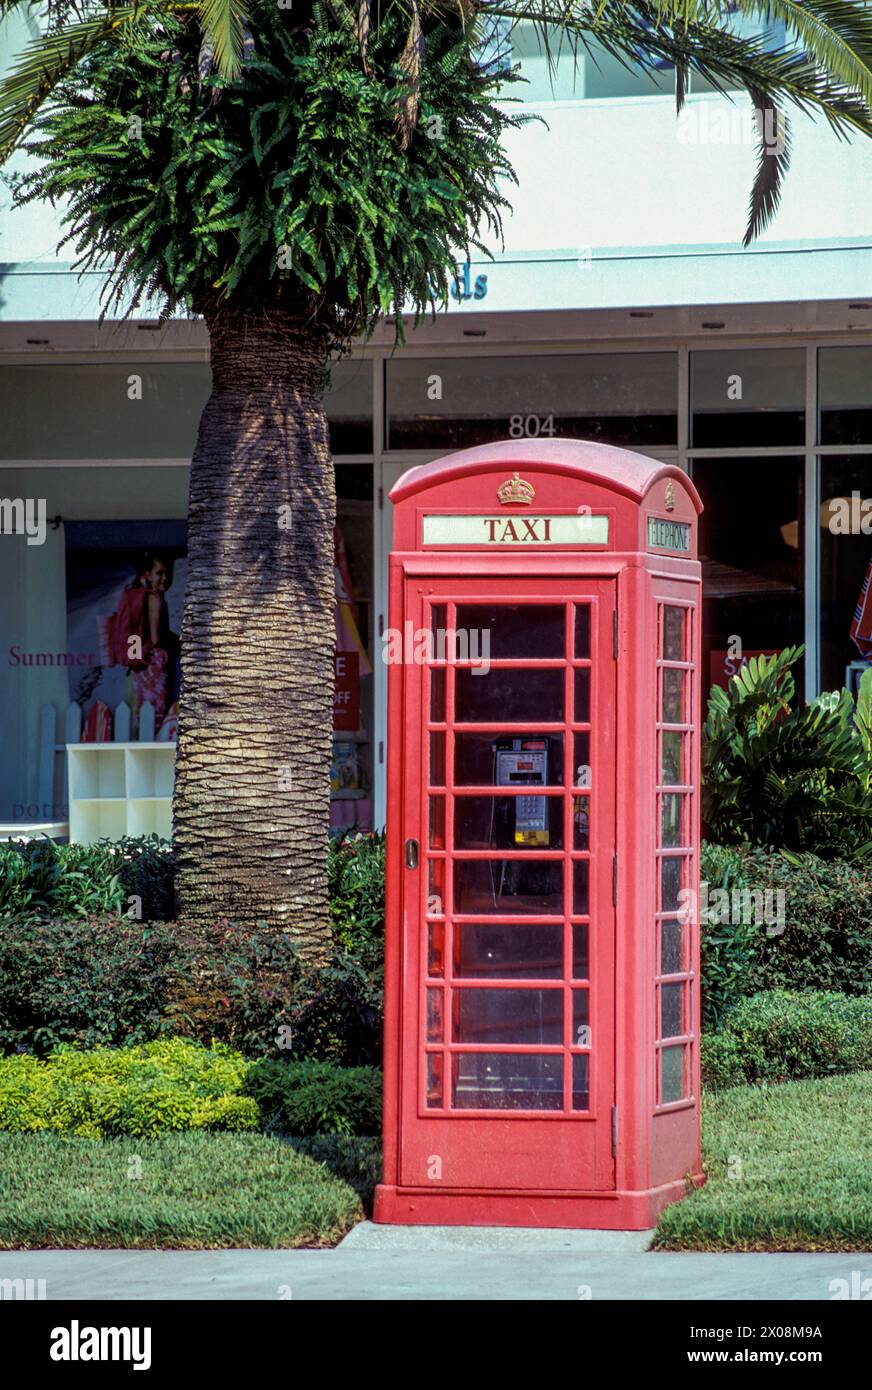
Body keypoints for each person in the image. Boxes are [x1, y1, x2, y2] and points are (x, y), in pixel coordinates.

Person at [106, 552, 179, 733]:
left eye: (168, 573)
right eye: (160, 573)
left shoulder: (138, 596)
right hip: (154, 667)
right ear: (147, 575)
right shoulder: (155, 599)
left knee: (141, 719)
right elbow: (156, 639)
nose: (165, 578)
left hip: (139, 667)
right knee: (157, 718)